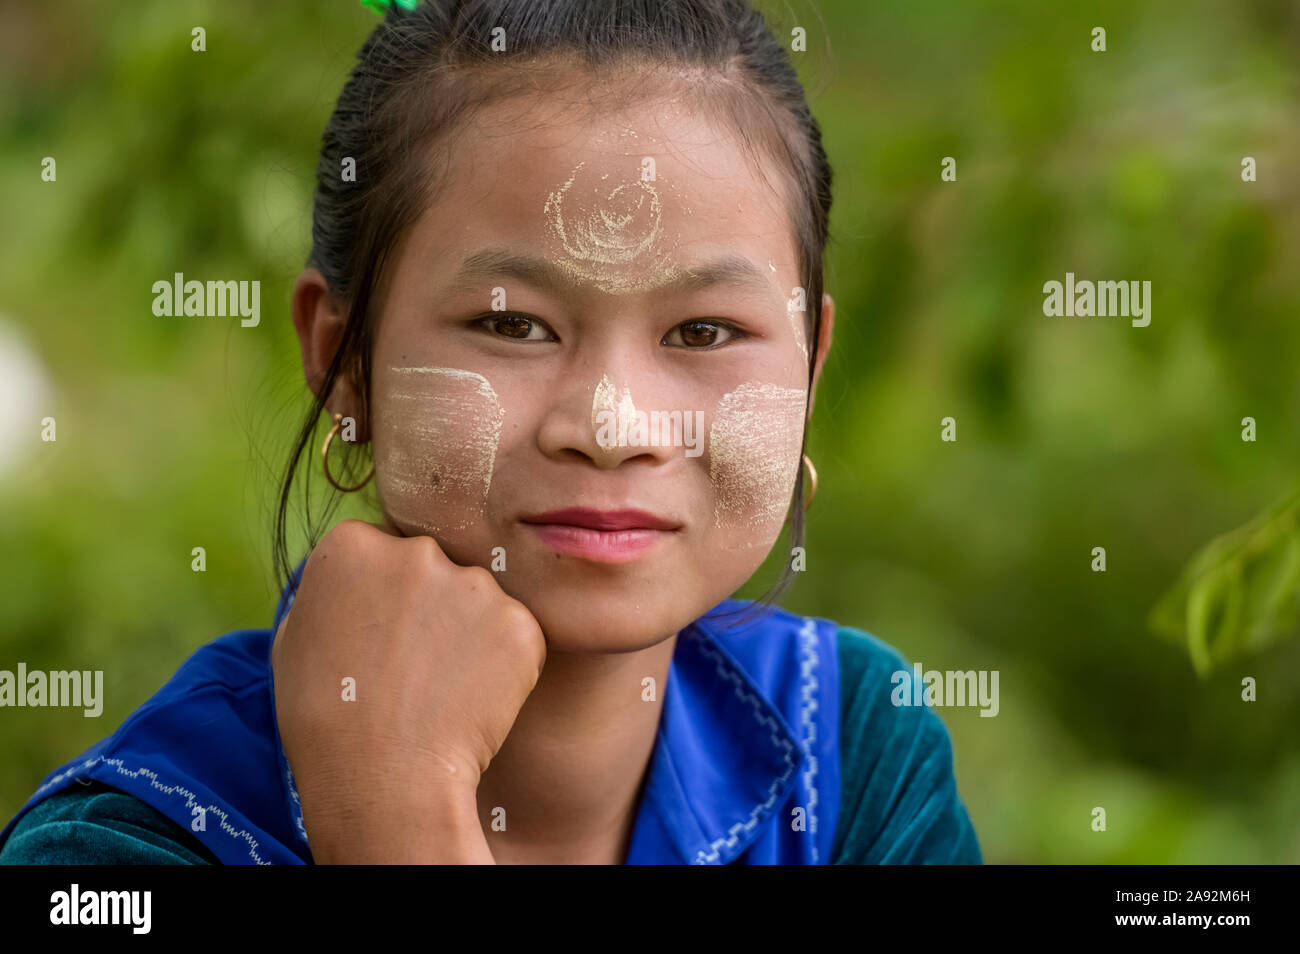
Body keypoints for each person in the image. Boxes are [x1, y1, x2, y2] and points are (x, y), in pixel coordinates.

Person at [0, 0, 981, 865]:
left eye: (703, 332)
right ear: (347, 363)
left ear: (807, 370)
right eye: (513, 325)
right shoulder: (122, 848)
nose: (611, 428)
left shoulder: (851, 753)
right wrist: (389, 804)